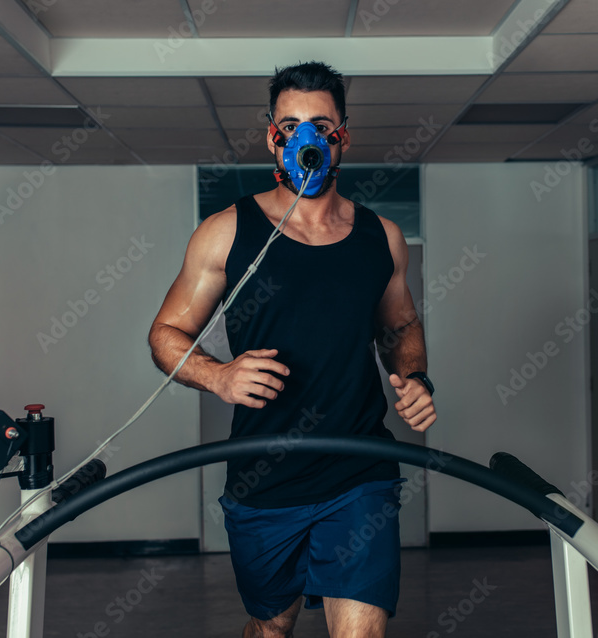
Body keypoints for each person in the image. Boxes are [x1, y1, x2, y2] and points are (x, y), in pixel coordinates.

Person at [148, 61, 436, 638]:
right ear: (273, 137)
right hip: (265, 475)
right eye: (290, 125)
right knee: (271, 626)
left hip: (359, 469)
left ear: (342, 137)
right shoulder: (226, 231)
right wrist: (218, 376)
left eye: (321, 125)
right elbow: (165, 335)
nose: (306, 139)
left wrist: (416, 379)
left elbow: (400, 326)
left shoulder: (382, 236)